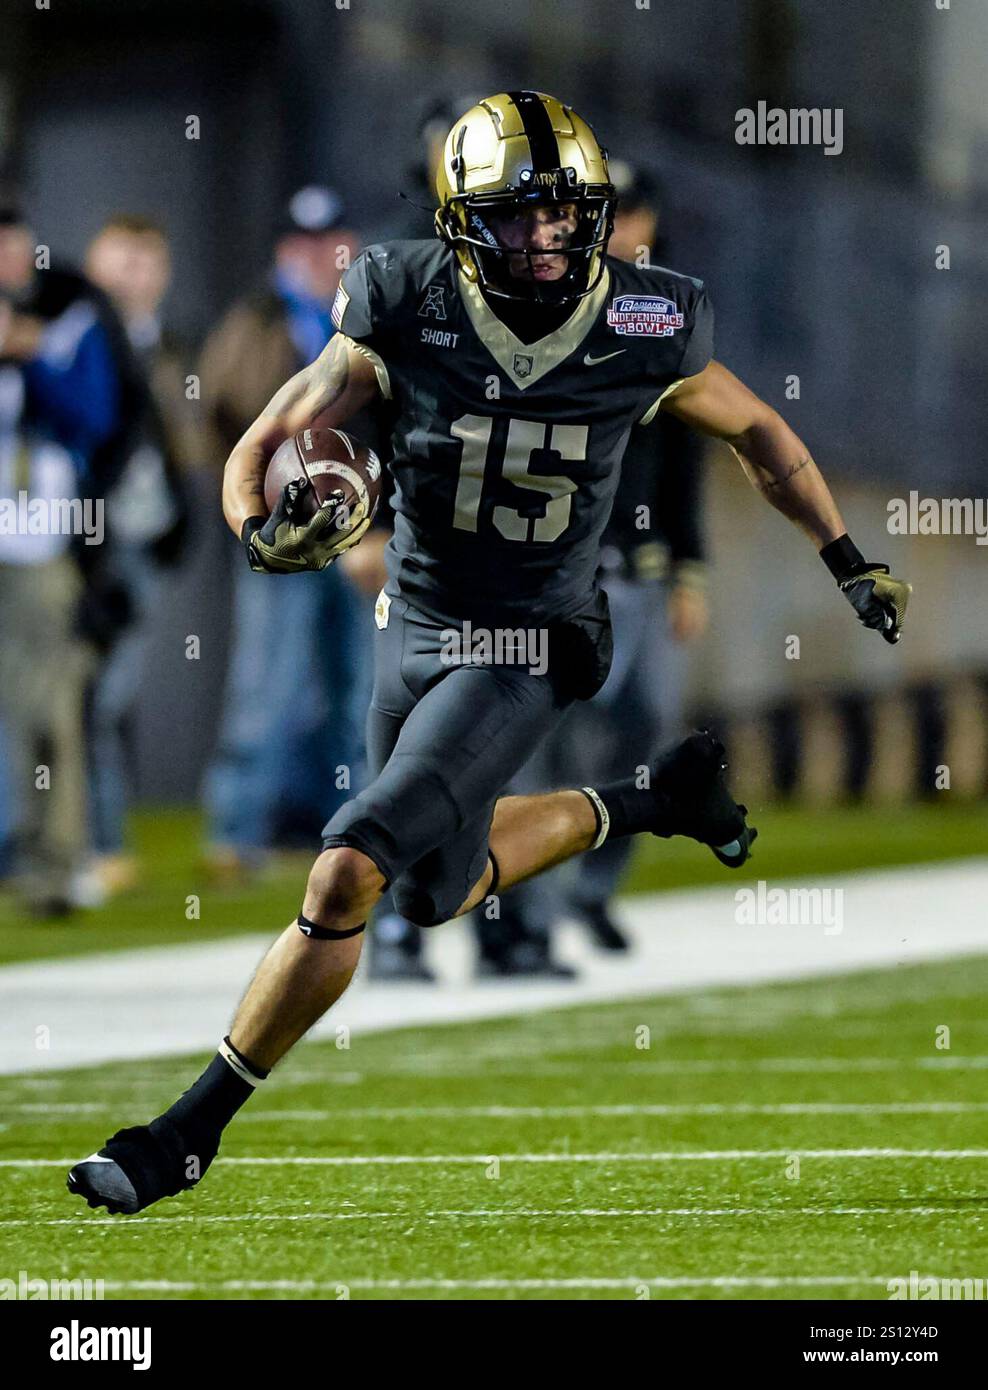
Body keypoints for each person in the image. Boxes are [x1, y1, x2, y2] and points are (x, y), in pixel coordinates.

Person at [68, 91, 909, 1215]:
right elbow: (269, 432)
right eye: (520, 218)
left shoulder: (645, 318)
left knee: (345, 867)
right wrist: (258, 526)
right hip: (411, 628)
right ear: (463, 217)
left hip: (533, 639)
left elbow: (759, 431)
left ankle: (184, 1134)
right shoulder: (406, 293)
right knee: (434, 887)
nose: (550, 240)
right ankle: (649, 799)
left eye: (567, 215)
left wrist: (847, 556)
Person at [482, 159, 713, 966]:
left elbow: (690, 453)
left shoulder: (664, 311)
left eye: (632, 213)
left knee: (644, 727)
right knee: (541, 740)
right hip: (557, 565)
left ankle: (590, 889)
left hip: (641, 565)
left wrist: (691, 566)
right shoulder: (539, 300)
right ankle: (528, 917)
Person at [199, 186, 382, 878]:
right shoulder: (257, 317)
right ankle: (235, 832)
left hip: (359, 531)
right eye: (310, 243)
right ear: (286, 251)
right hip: (286, 529)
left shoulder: (371, 319)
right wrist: (262, 503)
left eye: (335, 240)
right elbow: (223, 413)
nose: (325, 255)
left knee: (357, 688)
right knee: (267, 684)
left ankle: (353, 834)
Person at [0, 198, 136, 917]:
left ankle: (53, 863)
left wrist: (26, 352)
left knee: (48, 711)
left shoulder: (69, 315)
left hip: (37, 540)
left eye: (15, 253)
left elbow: (97, 416)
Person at [83, 215, 197, 897]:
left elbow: (188, 443)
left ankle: (95, 841)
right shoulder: (75, 342)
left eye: (143, 262)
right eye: (120, 262)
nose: (133, 277)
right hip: (76, 538)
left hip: (141, 537)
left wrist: (180, 523)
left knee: (106, 694)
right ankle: (93, 840)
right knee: (85, 695)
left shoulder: (171, 348)